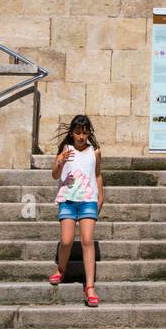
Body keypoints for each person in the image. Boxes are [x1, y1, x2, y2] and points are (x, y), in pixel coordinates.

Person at [47, 114, 104, 307]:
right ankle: (61, 269)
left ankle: (89, 287)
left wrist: (101, 195)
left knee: (87, 240)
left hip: (88, 199)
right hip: (68, 200)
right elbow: (55, 176)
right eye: (78, 132)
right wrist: (60, 161)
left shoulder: (94, 151)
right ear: (71, 133)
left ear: (89, 133)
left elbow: (97, 174)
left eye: (85, 133)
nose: (81, 137)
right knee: (66, 241)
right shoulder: (66, 149)